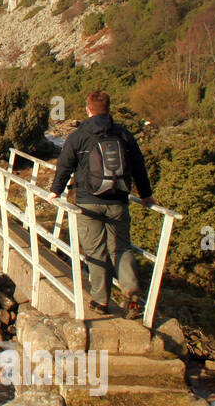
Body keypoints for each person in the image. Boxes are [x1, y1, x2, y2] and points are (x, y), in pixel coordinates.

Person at [47, 90, 155, 319]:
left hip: (88, 202)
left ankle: (101, 300)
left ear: (88, 110)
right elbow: (138, 166)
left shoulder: (80, 135)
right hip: (118, 201)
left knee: (96, 250)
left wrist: (56, 190)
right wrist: (146, 195)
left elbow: (65, 164)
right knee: (122, 248)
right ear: (109, 109)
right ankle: (133, 297)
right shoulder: (123, 134)